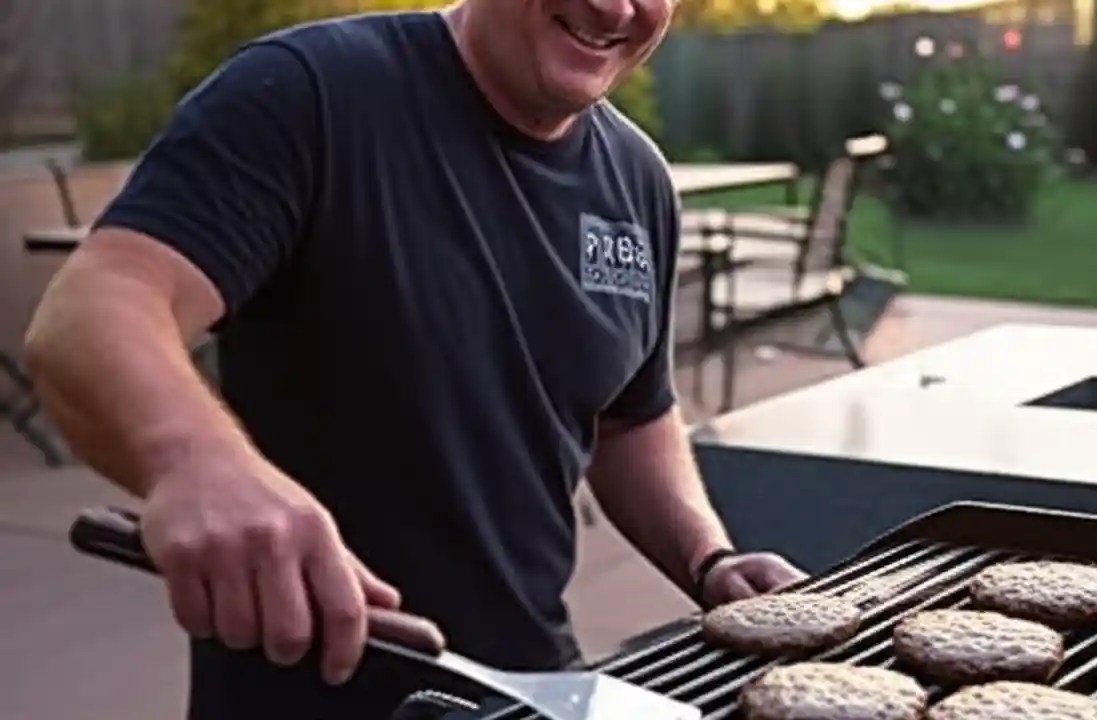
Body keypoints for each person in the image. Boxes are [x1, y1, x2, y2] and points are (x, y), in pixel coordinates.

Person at [23, 0, 807, 718]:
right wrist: (196, 465)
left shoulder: (637, 181)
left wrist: (710, 563)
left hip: (525, 688)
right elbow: (95, 309)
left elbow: (632, 416)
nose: (614, 7)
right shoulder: (309, 94)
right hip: (313, 692)